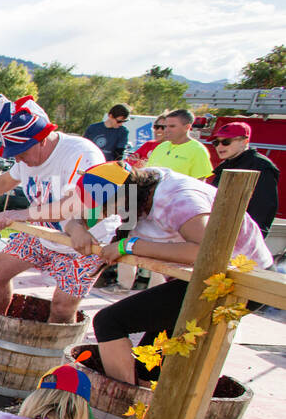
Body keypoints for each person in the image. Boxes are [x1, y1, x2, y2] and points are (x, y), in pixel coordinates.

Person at [79, 161, 273, 385]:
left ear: (124, 196)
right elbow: (74, 215)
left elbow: (208, 251)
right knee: (149, 364)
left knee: (109, 322)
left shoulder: (178, 199)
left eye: (106, 208)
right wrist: (77, 228)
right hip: (200, 278)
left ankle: (122, 399)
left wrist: (129, 246)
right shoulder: (138, 194)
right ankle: (135, 402)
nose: (105, 215)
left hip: (237, 283)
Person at [0, 94, 105, 324]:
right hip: (43, 231)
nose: (18, 158)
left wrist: (22, 215)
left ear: (42, 139)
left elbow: (75, 205)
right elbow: (5, 181)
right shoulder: (24, 159)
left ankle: (49, 357)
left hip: (85, 240)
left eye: (22, 152)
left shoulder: (81, 154)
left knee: (62, 305)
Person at [208, 121, 279, 235]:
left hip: (241, 235)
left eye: (226, 142)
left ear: (244, 142)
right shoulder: (226, 165)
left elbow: (262, 209)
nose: (219, 146)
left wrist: (251, 241)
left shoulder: (261, 166)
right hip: (218, 231)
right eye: (216, 143)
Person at [146, 109, 213, 180]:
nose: (166, 130)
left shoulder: (198, 150)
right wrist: (134, 190)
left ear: (187, 127)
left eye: (172, 126)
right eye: (165, 126)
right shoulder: (161, 146)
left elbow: (200, 184)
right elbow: (146, 175)